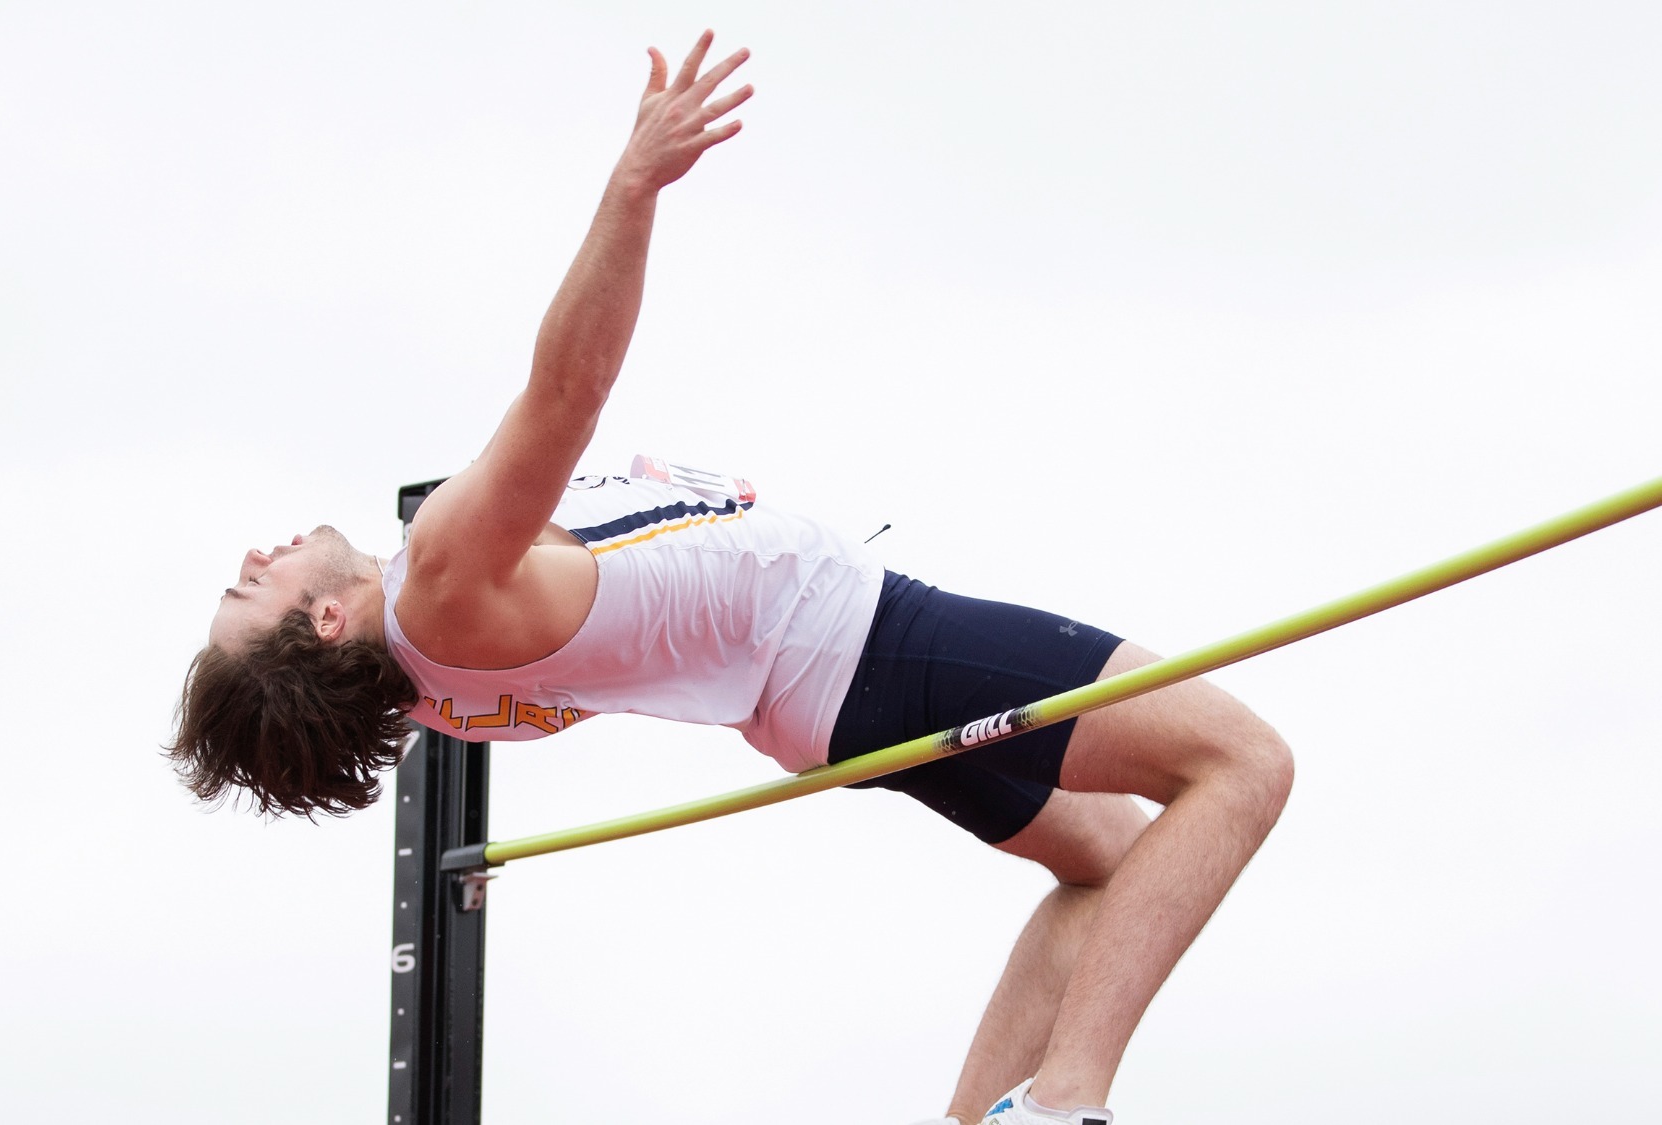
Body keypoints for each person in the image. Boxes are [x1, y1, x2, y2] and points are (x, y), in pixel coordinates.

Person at [170, 31, 1292, 1125]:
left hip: (821, 700)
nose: (250, 559)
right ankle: (1064, 1100)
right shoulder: (443, 583)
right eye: (246, 593)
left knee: (1100, 863)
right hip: (857, 645)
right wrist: (634, 184)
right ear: (322, 621)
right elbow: (565, 392)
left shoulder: (426, 678)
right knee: (1237, 764)